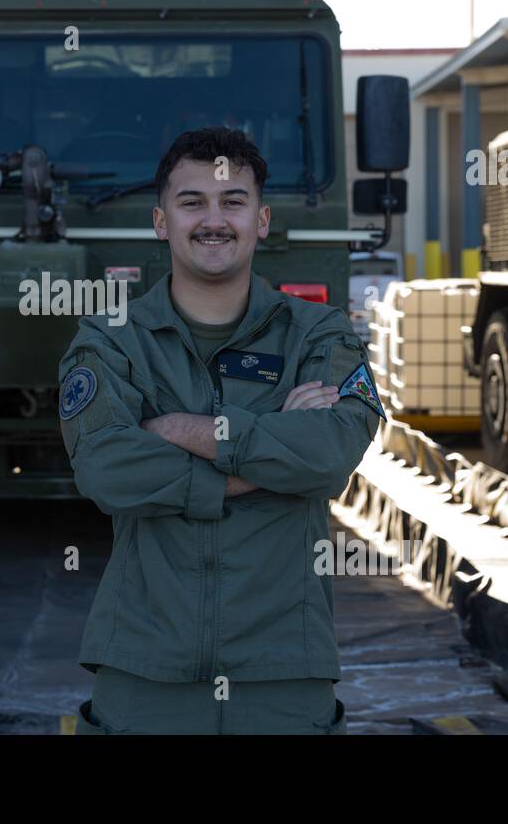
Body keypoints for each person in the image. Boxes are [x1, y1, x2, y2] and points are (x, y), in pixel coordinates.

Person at [58, 126, 384, 734]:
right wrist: (267, 450)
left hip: (284, 670)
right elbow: (105, 469)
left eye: (233, 201)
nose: (214, 220)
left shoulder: (321, 334)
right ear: (161, 222)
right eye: (192, 203)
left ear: (261, 220)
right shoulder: (111, 339)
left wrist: (179, 428)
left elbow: (331, 453)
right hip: (143, 669)